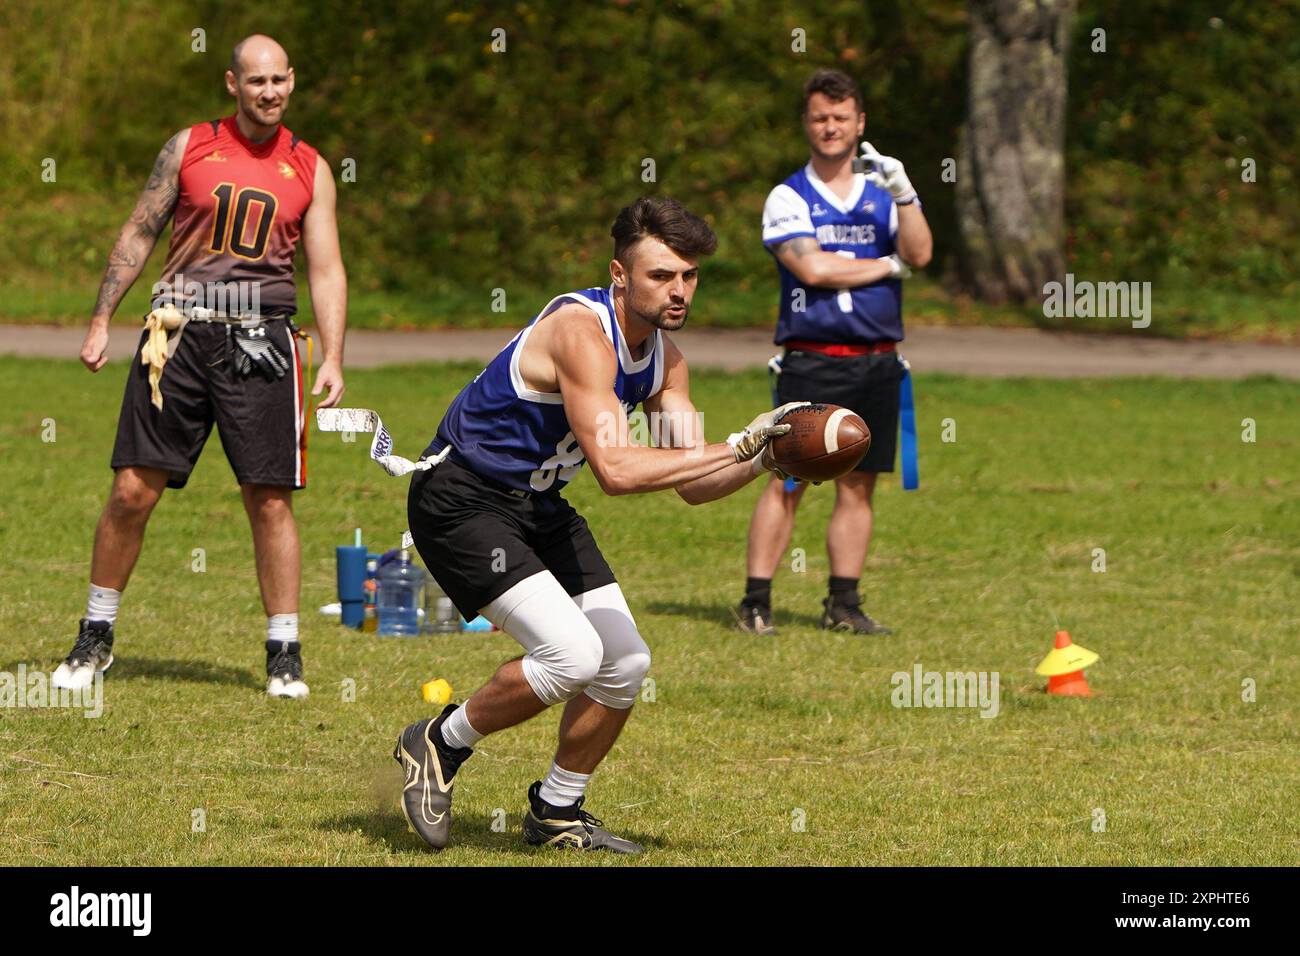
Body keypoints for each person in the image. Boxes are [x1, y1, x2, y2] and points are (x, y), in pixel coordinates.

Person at [395, 197, 802, 853]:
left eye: (689, 276)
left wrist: (768, 459)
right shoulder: (579, 333)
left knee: (624, 663)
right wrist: (738, 443)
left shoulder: (665, 360)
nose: (678, 290)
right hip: (462, 500)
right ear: (619, 274)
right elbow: (615, 468)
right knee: (573, 656)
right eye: (660, 275)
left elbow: (693, 484)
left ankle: (556, 811)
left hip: (537, 506)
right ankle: (438, 743)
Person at [53, 35, 347, 699]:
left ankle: (284, 653)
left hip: (264, 341)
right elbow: (139, 230)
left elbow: (327, 268)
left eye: (278, 80)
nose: (268, 92)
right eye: (255, 81)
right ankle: (94, 637)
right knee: (132, 489)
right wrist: (102, 317)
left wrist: (333, 354)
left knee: (269, 497)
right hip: (174, 332)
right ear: (232, 84)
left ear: (291, 81)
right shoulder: (189, 147)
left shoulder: (311, 166)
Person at [736, 68, 932, 637]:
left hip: (876, 358)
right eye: (820, 117)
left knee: (859, 482)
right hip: (813, 357)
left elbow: (919, 252)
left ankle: (843, 604)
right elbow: (812, 268)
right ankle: (756, 601)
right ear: (807, 123)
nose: (830, 127)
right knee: (787, 478)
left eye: (841, 117)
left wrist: (907, 193)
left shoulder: (883, 191)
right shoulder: (788, 194)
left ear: (860, 123)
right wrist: (885, 266)